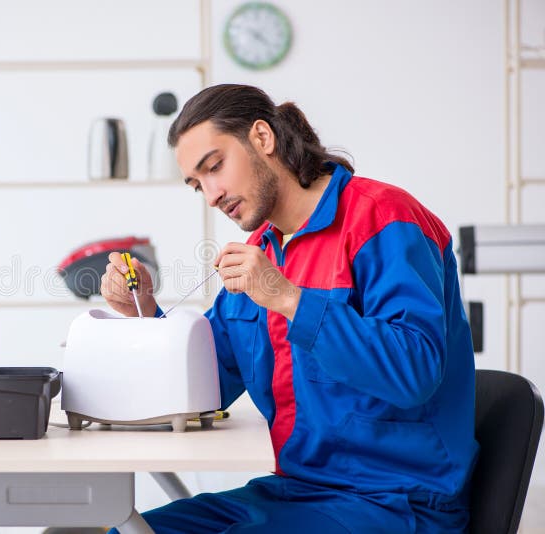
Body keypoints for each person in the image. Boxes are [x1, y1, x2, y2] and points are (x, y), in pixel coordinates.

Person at [100, 84, 478, 533]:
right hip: (296, 492)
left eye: (215, 167)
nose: (212, 195)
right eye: (197, 184)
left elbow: (413, 372)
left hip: (397, 503)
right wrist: (142, 311)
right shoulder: (261, 253)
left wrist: (287, 297)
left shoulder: (384, 218)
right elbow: (202, 388)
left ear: (262, 138)